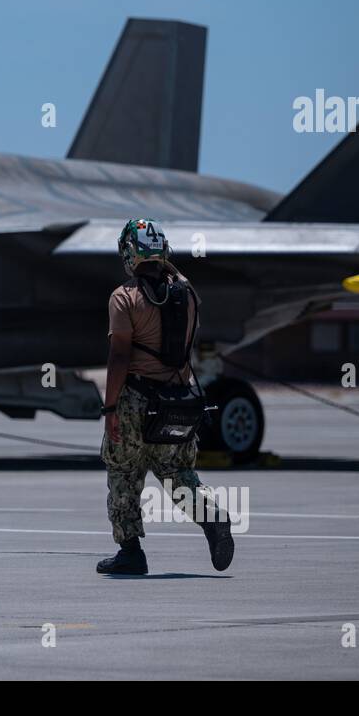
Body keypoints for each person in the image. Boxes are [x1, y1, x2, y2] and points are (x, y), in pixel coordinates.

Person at [97, 218, 234, 575]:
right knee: (178, 472)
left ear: (129, 253)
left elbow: (119, 357)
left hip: (135, 402)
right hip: (179, 402)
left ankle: (130, 552)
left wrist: (110, 407)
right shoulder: (188, 293)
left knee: (123, 473)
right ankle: (213, 518)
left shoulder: (124, 297)